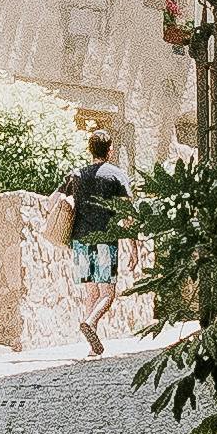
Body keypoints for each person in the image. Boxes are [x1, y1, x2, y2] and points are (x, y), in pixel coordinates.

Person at [64, 128, 133, 354]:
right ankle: (91, 323)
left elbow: (54, 200)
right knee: (107, 294)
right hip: (105, 238)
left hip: (81, 241)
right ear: (110, 151)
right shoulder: (116, 175)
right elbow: (127, 213)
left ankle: (93, 347)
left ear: (90, 150)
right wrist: (133, 247)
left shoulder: (77, 174)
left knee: (91, 293)